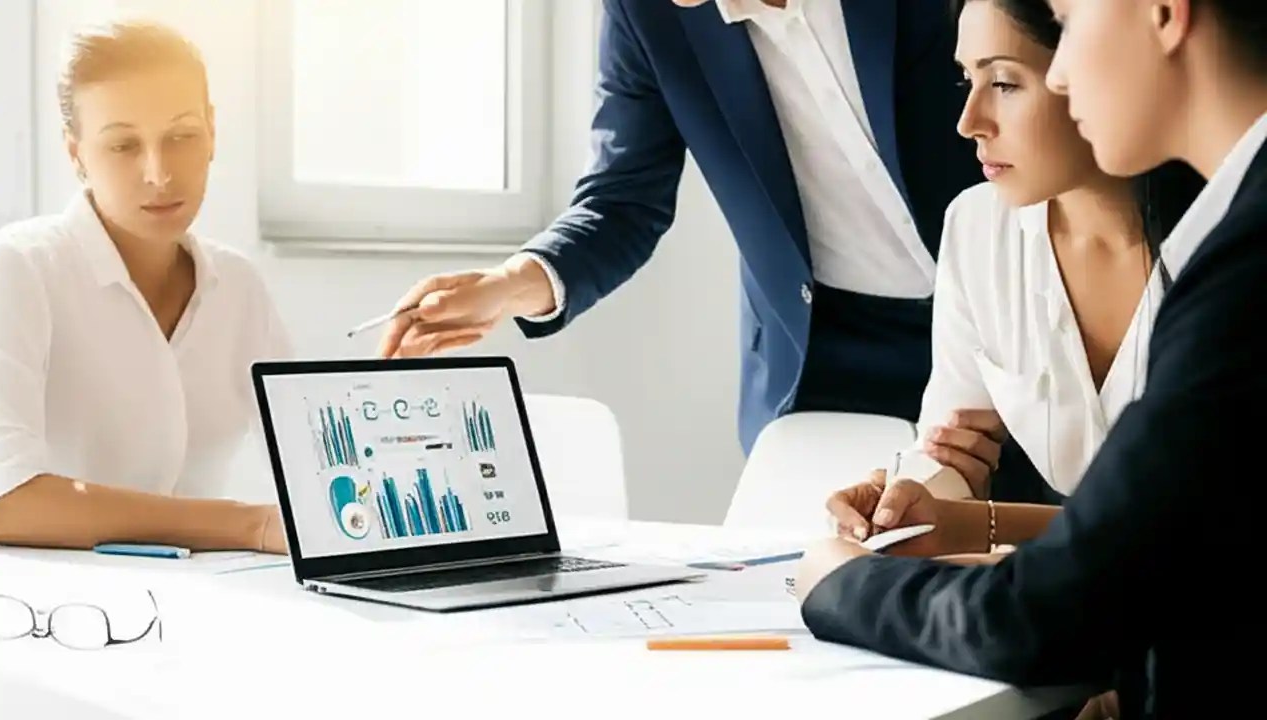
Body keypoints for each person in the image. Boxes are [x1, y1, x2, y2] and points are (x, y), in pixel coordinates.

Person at [794, 0, 1267, 716]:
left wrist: (839, 583)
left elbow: (1044, 616)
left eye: (1069, 23)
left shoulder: (1240, 261)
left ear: (1164, 12)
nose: (1067, 72)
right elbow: (1157, 534)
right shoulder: (987, 230)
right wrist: (947, 514)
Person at [376, 0, 1018, 473]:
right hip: (822, 353)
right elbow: (625, 197)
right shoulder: (647, 13)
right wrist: (509, 285)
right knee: (822, 590)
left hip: (1011, 318)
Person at [848, 0, 1202, 507]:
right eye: (966, 80)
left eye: (1004, 83)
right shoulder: (977, 227)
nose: (968, 122)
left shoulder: (1225, 235)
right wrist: (902, 501)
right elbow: (953, 449)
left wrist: (987, 525)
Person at [0, 21, 292, 553]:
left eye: (181, 137)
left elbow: (310, 465)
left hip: (203, 589)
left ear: (213, 133)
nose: (159, 173)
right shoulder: (15, 269)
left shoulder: (237, 285)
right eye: (123, 145)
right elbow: (2, 500)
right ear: (77, 155)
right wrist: (250, 525)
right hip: (48, 599)